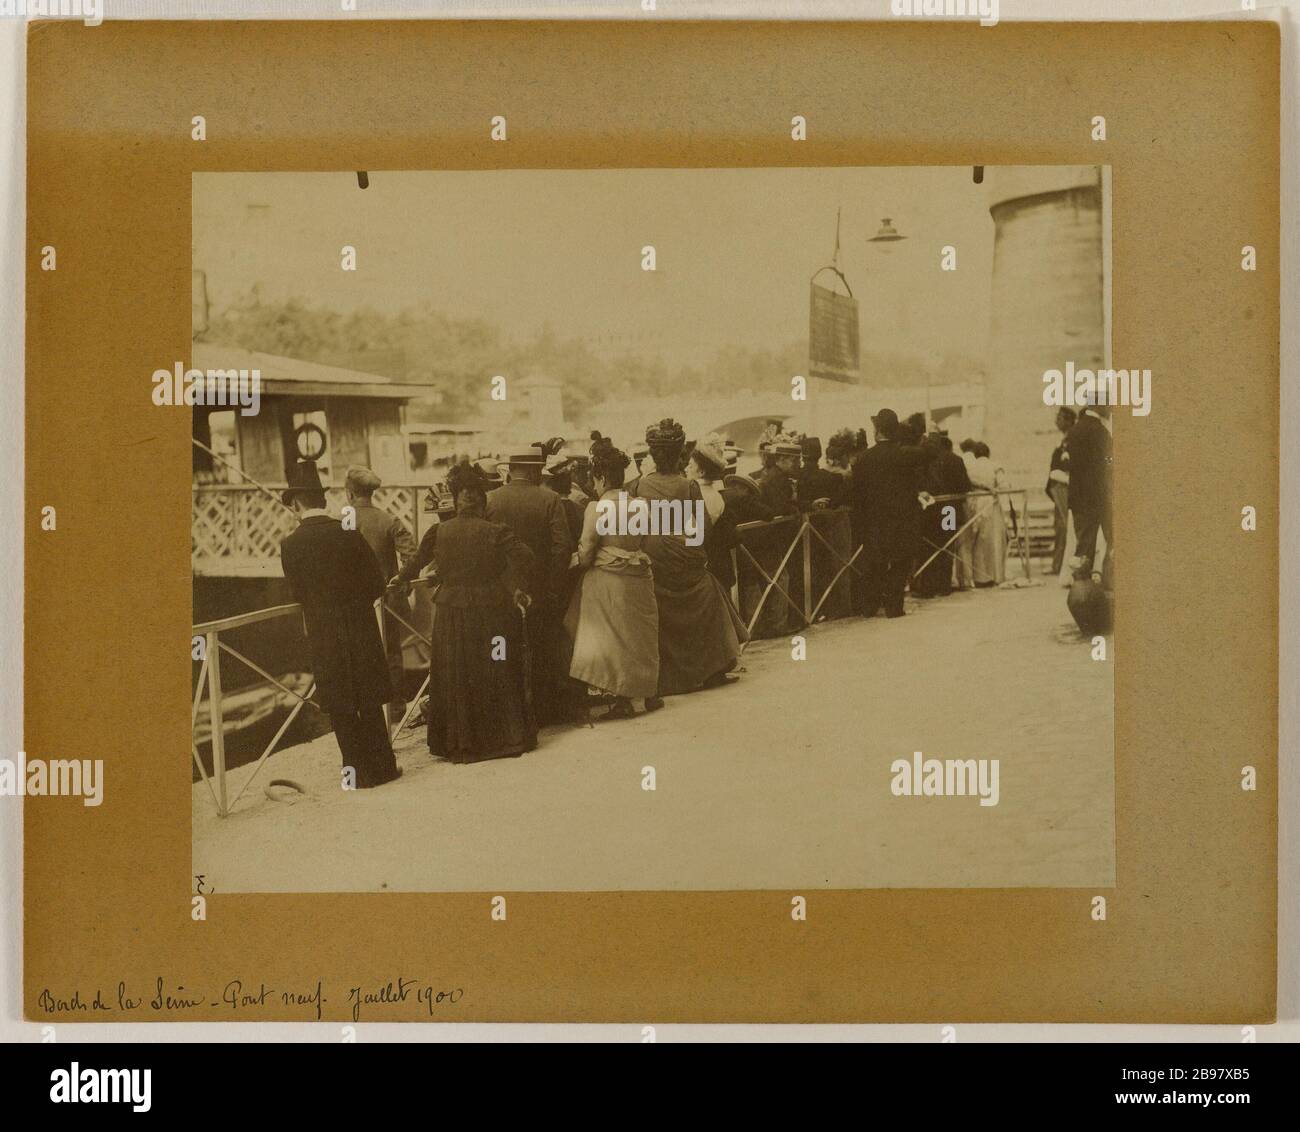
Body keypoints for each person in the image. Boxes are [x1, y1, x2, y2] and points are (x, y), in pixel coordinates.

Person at [279, 460, 401, 789]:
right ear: (321, 499)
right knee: (369, 698)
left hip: (324, 632)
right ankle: (384, 768)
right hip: (360, 626)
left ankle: (355, 774)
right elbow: (376, 583)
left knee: (341, 705)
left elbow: (298, 594)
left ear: (295, 504)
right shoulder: (348, 534)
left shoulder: (290, 545)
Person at [405, 462, 537, 763]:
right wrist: (507, 579)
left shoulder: (438, 531)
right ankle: (503, 739)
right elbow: (527, 558)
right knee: (495, 670)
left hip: (451, 613)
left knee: (457, 674)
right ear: (482, 500)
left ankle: (461, 743)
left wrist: (401, 580)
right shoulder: (496, 531)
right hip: (492, 612)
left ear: (455, 500)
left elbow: (415, 563)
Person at [628, 418, 748, 695]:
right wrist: (687, 551)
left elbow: (631, 529)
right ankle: (712, 670)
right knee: (711, 593)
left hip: (653, 559)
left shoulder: (637, 487)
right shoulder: (689, 487)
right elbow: (701, 531)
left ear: (653, 455)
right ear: (679, 454)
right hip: (684, 559)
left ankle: (663, 678)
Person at [563, 437, 663, 720]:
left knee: (611, 639)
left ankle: (619, 695)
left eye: (595, 480)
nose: (594, 486)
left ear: (602, 477)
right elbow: (644, 542)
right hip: (638, 576)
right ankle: (639, 697)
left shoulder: (596, 508)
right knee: (637, 637)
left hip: (608, 580)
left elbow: (585, 553)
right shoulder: (640, 505)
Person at [485, 447, 575, 722]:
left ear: (510, 470)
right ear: (536, 470)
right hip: (540, 588)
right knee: (542, 647)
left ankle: (510, 713)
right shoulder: (549, 499)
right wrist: (553, 585)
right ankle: (544, 710)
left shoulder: (490, 500)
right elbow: (562, 547)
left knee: (504, 649)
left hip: (502, 588)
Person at [345, 465, 419, 723]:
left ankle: (367, 710)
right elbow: (412, 555)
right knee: (392, 652)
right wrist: (402, 582)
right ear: (370, 493)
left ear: (350, 493)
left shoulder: (344, 520)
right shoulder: (388, 520)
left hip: (353, 603)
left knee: (358, 654)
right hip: (386, 601)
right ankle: (396, 708)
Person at [850, 408, 932, 618]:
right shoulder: (905, 455)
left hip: (874, 521)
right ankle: (894, 607)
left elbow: (854, 492)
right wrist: (930, 433)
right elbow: (930, 452)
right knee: (900, 562)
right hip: (902, 520)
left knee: (875, 563)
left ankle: (870, 607)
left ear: (877, 430)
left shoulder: (864, 458)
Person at [913, 433, 972, 598]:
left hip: (929, 510)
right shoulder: (955, 460)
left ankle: (927, 586)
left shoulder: (922, 460)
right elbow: (964, 486)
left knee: (928, 546)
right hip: (950, 509)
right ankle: (944, 585)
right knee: (947, 544)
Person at [1065, 401, 1113, 587]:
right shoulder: (1100, 432)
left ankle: (1081, 590)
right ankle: (1110, 581)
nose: (1111, 409)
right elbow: (1109, 463)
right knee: (1114, 539)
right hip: (1101, 497)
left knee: (1083, 547)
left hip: (1080, 499)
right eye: (1108, 404)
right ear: (1098, 405)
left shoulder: (1075, 431)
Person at [967, 441, 1007, 586]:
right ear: (988, 453)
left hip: (976, 502)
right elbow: (1004, 485)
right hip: (991, 502)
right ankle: (996, 575)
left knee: (978, 540)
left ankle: (979, 577)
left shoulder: (971, 466)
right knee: (994, 539)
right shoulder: (995, 466)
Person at [1046, 408, 1075, 577]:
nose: (1056, 421)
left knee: (1063, 526)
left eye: (1059, 418)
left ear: (1068, 420)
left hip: (1064, 486)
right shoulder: (1064, 438)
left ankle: (1060, 565)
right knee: (1059, 525)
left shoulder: (1070, 439)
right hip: (1057, 486)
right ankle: (1057, 564)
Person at [797, 436, 844, 510]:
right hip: (826, 519)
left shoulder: (797, 476)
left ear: (802, 456)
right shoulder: (832, 477)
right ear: (820, 455)